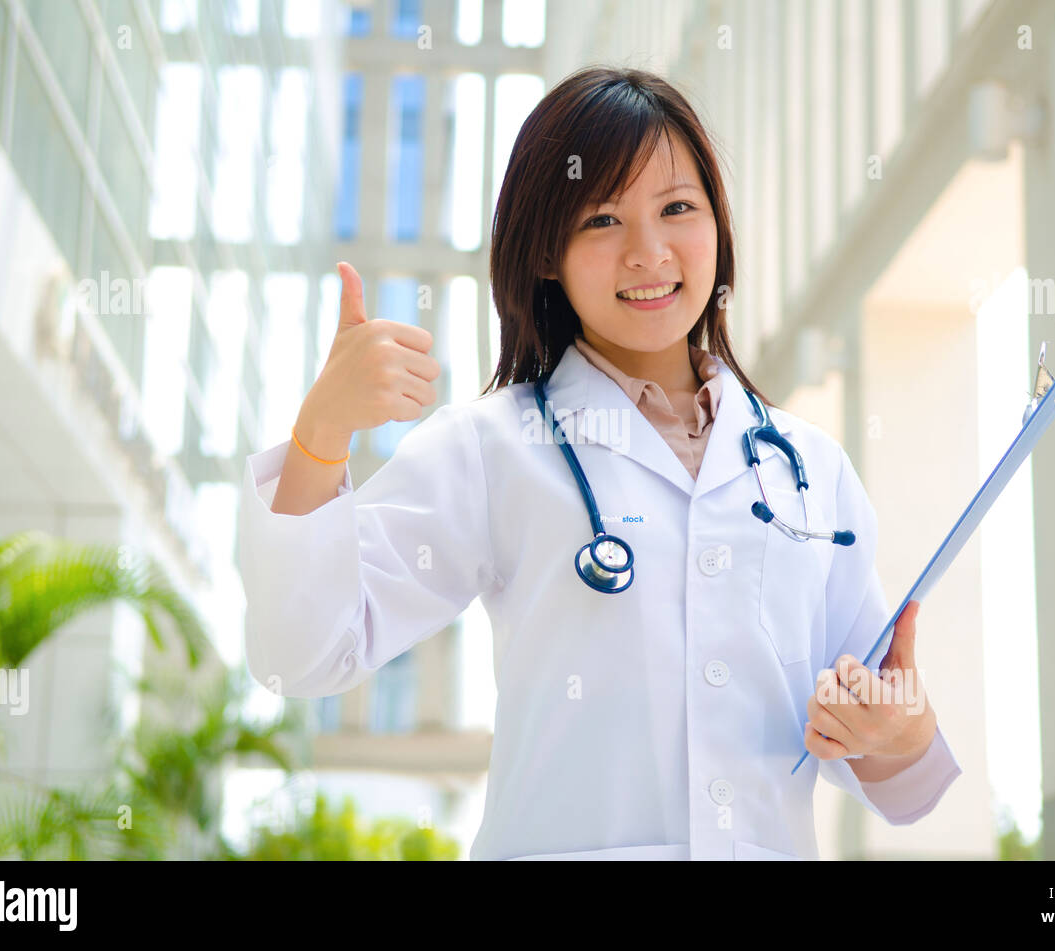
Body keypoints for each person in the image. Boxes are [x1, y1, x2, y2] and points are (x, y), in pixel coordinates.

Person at [238, 66, 961, 860]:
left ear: (717, 225)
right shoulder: (494, 449)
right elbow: (301, 654)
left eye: (677, 209)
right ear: (546, 252)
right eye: (603, 220)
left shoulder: (807, 469)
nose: (648, 253)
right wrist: (323, 430)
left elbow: (890, 769)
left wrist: (900, 726)